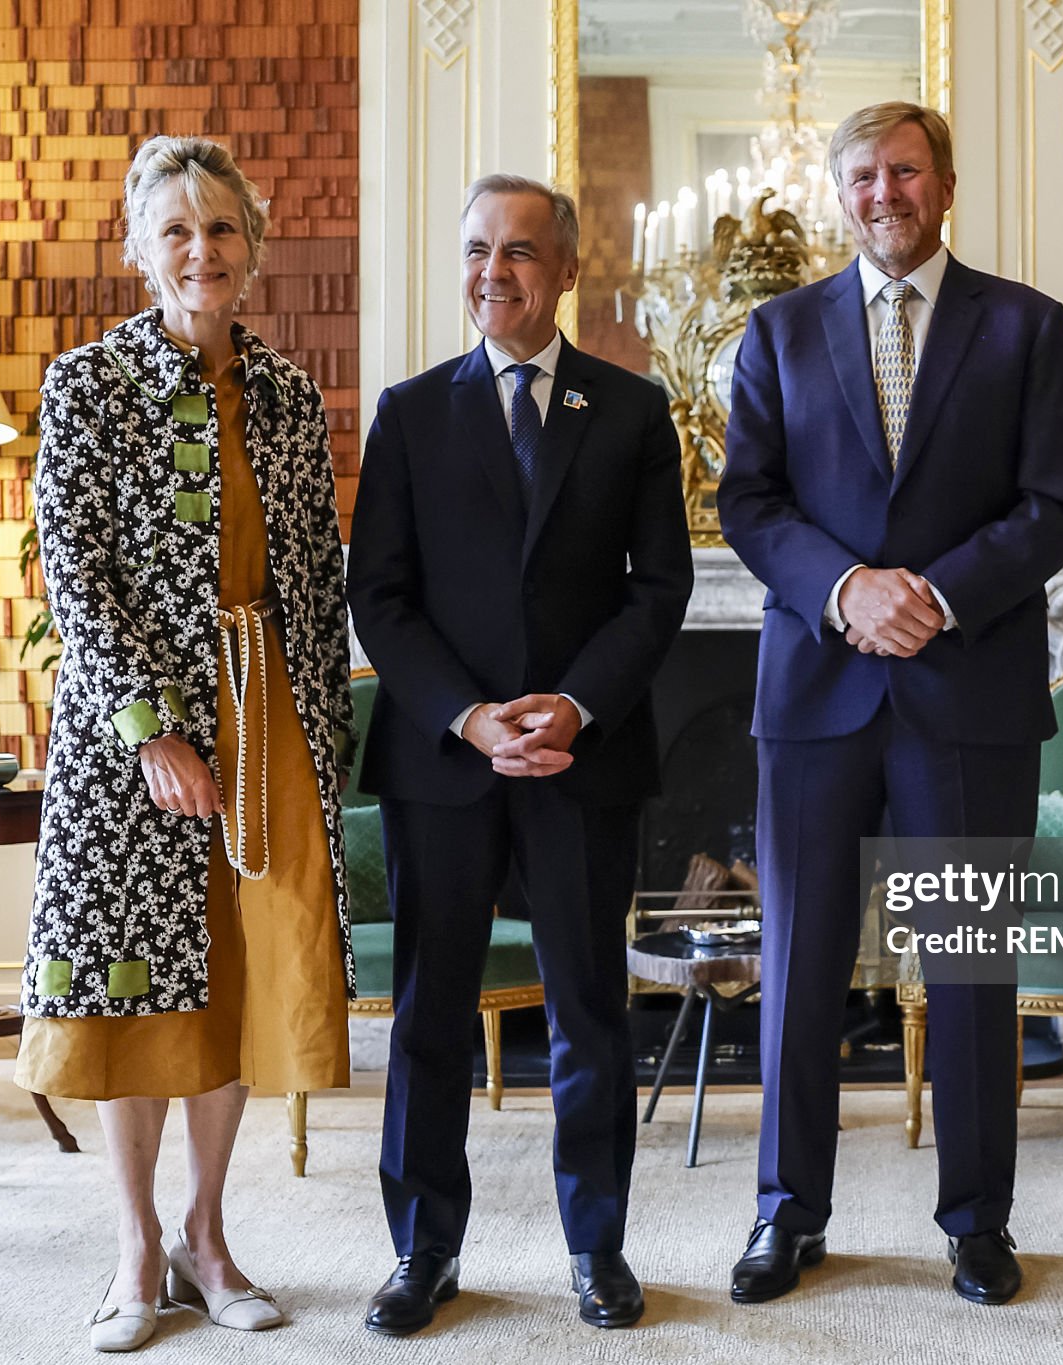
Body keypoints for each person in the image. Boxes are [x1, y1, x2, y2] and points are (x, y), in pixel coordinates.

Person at [717, 102, 1063, 1306]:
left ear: (944, 182)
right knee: (799, 967)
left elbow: (1048, 505)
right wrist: (844, 589)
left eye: (907, 171)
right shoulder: (773, 332)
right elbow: (750, 504)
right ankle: (788, 1215)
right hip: (816, 692)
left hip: (963, 683)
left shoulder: (1027, 326)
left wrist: (928, 593)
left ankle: (979, 1222)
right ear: (841, 194)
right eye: (865, 176)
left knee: (970, 969)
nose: (886, 192)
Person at [17, 135, 358, 1353]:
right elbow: (80, 577)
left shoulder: (284, 394)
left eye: (221, 231)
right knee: (137, 988)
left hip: (268, 716)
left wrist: (321, 737)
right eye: (177, 231)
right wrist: (152, 729)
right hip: (135, 737)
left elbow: (317, 574)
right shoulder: (85, 386)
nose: (201, 251)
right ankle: (134, 1249)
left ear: (252, 253)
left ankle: (210, 1238)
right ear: (138, 250)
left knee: (232, 981)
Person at [346, 173, 693, 1335]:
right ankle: (422, 1253)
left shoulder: (634, 413)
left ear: (567, 269)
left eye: (520, 252)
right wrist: (469, 714)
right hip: (442, 760)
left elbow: (659, 594)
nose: (494, 271)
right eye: (476, 249)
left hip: (581, 757)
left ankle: (596, 1249)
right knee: (429, 1011)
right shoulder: (407, 412)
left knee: (589, 1010)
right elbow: (379, 600)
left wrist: (571, 706)